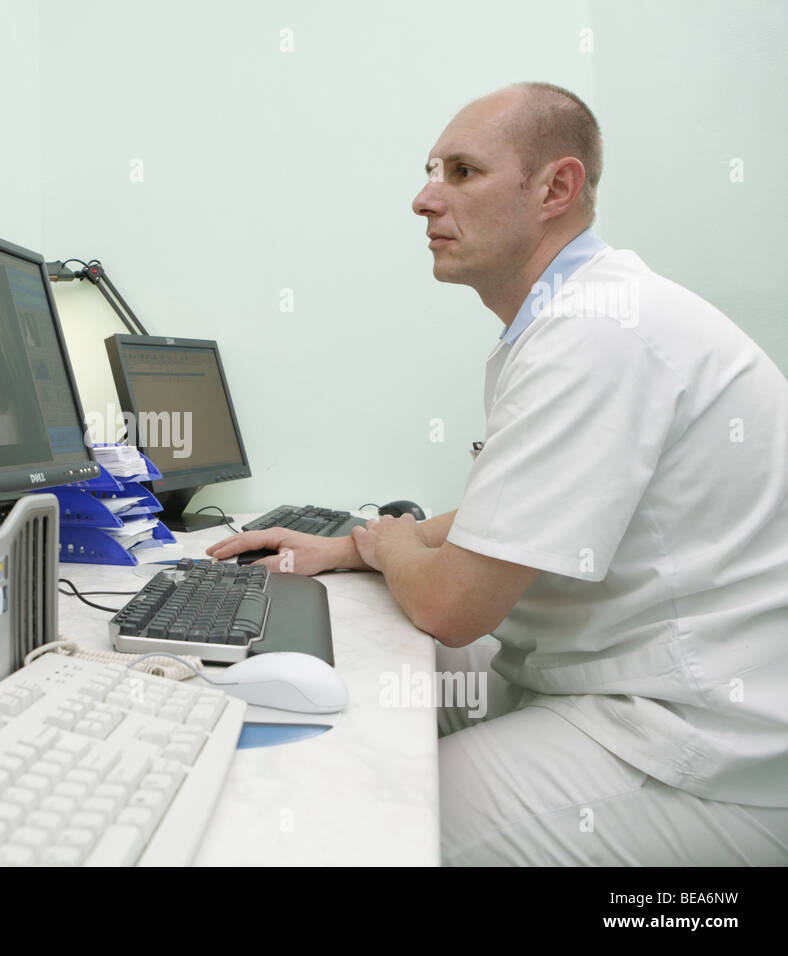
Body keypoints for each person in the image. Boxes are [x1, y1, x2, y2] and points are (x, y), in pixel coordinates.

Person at [207, 82, 788, 865]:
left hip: (691, 741)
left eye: (462, 172)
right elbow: (511, 505)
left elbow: (453, 607)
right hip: (609, 674)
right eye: (431, 170)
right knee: (373, 682)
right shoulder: (579, 316)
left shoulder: (596, 335)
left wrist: (388, 548)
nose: (424, 198)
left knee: (368, 821)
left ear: (556, 187)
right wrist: (354, 545)